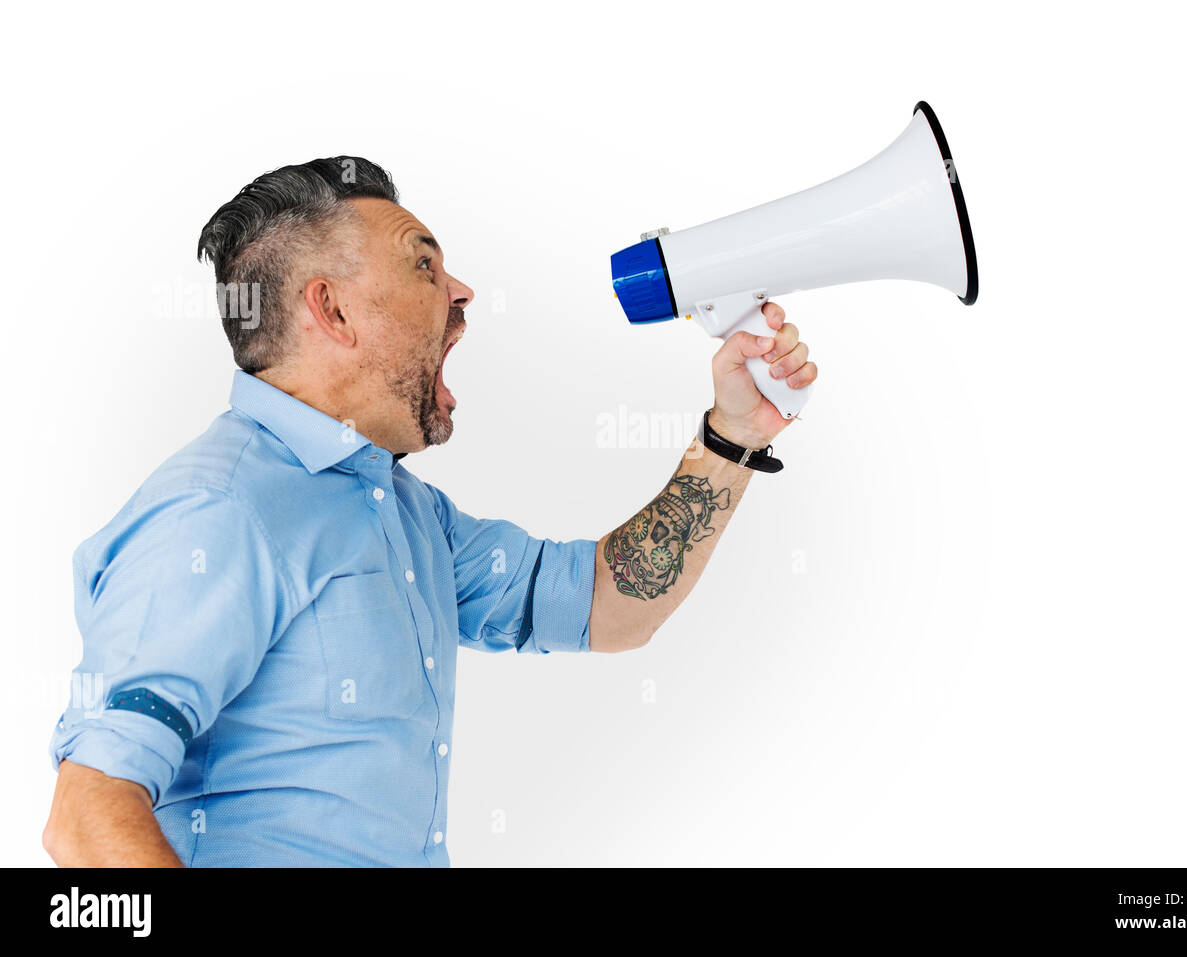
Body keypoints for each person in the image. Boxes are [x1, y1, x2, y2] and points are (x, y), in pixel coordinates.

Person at [42, 157, 817, 866]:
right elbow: (86, 815)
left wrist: (733, 436)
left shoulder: (406, 514)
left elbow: (610, 605)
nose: (462, 293)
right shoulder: (215, 511)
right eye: (424, 265)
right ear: (333, 309)